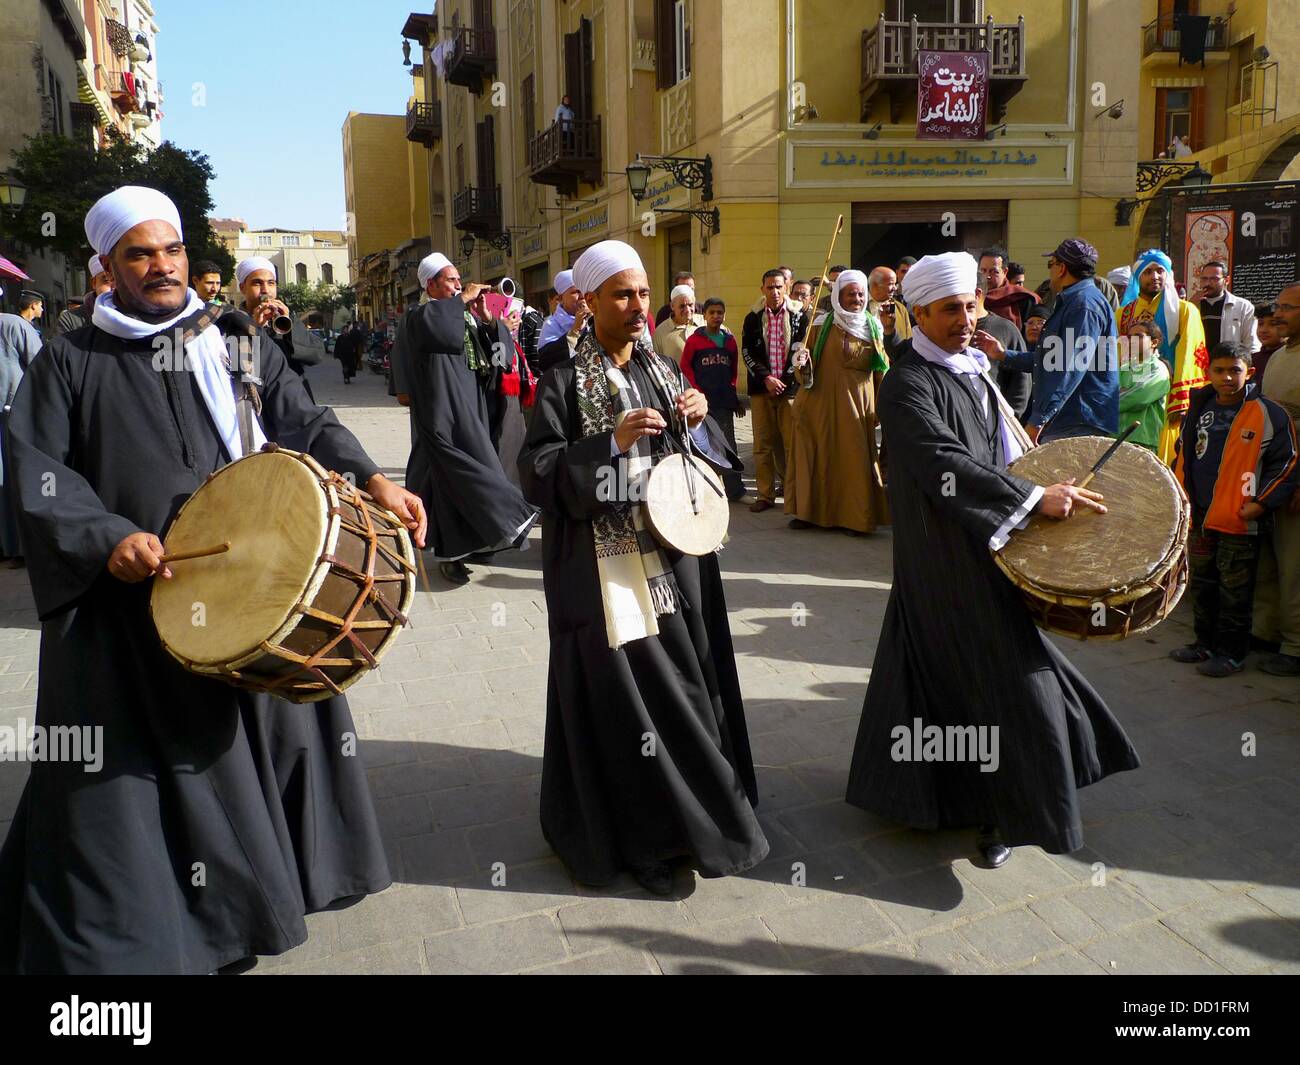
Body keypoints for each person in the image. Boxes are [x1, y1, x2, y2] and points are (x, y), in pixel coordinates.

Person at [0, 185, 427, 975]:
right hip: (137, 607)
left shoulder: (232, 337)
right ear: (106, 268)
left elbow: (304, 418)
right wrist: (106, 538)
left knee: (275, 731)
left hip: (253, 584)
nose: (161, 266)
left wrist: (373, 477)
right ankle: (189, 928)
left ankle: (277, 886)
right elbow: (37, 473)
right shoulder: (70, 360)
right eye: (140, 254)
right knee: (143, 783)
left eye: (172, 251)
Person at [845, 251, 1140, 866]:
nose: (964, 317)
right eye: (949, 308)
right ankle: (1002, 808)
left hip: (983, 543)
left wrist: (1036, 482)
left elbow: (1001, 448)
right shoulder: (908, 383)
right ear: (917, 312)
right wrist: (1032, 498)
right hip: (942, 553)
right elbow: (942, 462)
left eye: (970, 305)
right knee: (1000, 677)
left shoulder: (973, 368)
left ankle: (953, 798)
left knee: (964, 672)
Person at [518, 239, 765, 896]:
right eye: (622, 294)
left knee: (687, 683)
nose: (636, 306)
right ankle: (646, 838)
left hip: (675, 559)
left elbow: (703, 459)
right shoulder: (563, 380)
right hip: (605, 573)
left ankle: (705, 813)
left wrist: (703, 415)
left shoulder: (662, 367)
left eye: (643, 293)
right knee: (634, 703)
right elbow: (538, 475)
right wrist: (611, 443)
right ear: (589, 301)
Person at [398, 250, 539, 585]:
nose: (459, 286)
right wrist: (461, 302)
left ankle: (476, 542)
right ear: (431, 285)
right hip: (442, 409)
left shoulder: (462, 315)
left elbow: (500, 359)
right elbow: (436, 335)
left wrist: (491, 323)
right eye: (451, 280)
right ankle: (455, 549)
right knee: (452, 477)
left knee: (467, 471)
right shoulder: (421, 316)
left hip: (473, 406)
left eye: (459, 280)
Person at [1171, 345, 1297, 677]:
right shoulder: (1200, 407)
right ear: (1208, 372)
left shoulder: (1268, 413)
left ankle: (1232, 653)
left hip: (1239, 521)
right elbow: (1184, 452)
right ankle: (1204, 644)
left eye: (1234, 371)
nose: (1227, 378)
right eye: (1219, 370)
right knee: (1203, 583)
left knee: (1235, 591)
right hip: (1200, 515)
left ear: (1249, 373)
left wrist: (1261, 503)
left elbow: (1286, 463)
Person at [975, 238, 1118, 443]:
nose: (1049, 271)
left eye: (1051, 265)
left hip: (1077, 419)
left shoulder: (1083, 305)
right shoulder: (1075, 301)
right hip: (1067, 418)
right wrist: (1004, 355)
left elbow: (1069, 368)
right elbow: (1052, 359)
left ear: (1061, 269)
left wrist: (1038, 421)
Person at [785, 269, 889, 535]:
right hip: (818, 403)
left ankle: (855, 519)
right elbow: (803, 368)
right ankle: (809, 514)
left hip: (856, 405)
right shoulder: (820, 325)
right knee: (816, 457)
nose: (856, 298)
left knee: (853, 460)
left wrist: (881, 404)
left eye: (860, 294)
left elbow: (882, 369)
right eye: (850, 294)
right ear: (838, 297)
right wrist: (802, 362)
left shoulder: (873, 327)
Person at [1119, 249, 1209, 464]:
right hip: (1129, 394)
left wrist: (1181, 399)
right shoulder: (1123, 314)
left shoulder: (1185, 310)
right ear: (1137, 277)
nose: (1155, 276)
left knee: (1164, 459)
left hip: (1168, 397)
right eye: (1148, 272)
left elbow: (1191, 353)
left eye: (1160, 270)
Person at [1252, 283, 1300, 676]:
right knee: (1266, 557)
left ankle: (1295, 644)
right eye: (1278, 306)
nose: (1278, 314)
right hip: (1268, 474)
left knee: (1294, 561)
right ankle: (1264, 631)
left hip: (1294, 479)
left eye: (1287, 308)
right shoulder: (1280, 356)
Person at [741, 268, 807, 512]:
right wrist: (767, 378)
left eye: (779, 286)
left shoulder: (801, 317)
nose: (775, 291)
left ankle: (793, 497)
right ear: (762, 289)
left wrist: (785, 380)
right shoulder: (753, 317)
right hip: (761, 390)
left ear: (786, 288)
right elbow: (747, 352)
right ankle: (765, 495)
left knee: (791, 446)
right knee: (762, 445)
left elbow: (801, 352)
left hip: (790, 390)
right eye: (770, 287)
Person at [680, 297, 746, 501]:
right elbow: (685, 368)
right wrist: (696, 392)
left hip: (724, 402)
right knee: (703, 446)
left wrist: (733, 396)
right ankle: (706, 491)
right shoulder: (694, 341)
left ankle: (735, 490)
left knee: (729, 446)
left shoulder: (729, 341)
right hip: (702, 405)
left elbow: (733, 370)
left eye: (720, 313)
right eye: (712, 313)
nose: (716, 316)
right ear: (705, 316)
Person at [233, 256, 325, 401]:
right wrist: (255, 330)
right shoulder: (234, 321)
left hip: (294, 398)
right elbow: (241, 368)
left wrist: (289, 327)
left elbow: (316, 355)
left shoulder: (287, 318)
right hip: (258, 402)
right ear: (242, 288)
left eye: (271, 283)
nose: (265, 290)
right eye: (257, 283)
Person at [0, 294, 43, 566]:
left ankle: (15, 546)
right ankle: (15, 547)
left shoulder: (12, 325)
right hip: (11, 411)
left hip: (10, 413)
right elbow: (41, 366)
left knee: (10, 481)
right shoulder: (15, 324)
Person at [972, 285, 1032, 422]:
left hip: (994, 420)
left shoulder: (1005, 328)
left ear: (977, 293)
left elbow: (1021, 378)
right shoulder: (947, 329)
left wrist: (1011, 418)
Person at [1118, 319, 1170, 452]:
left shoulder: (1158, 369)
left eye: (1138, 337)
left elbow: (1138, 399)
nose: (1132, 341)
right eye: (1129, 337)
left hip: (1142, 440)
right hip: (1114, 438)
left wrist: (1114, 397)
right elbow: (1107, 393)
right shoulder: (1123, 368)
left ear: (1154, 342)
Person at [1195, 260, 1259, 356]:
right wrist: (1192, 305)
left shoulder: (1243, 306)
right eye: (1204, 279)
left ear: (1227, 280)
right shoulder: (1193, 305)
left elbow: (1251, 342)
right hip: (1198, 366)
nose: (1208, 283)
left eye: (1214, 279)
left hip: (1229, 365)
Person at [537, 269, 587, 373]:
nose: (582, 296)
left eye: (584, 290)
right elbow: (545, 362)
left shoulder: (594, 317)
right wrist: (575, 330)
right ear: (560, 298)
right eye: (576, 292)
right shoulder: (551, 325)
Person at [978, 247, 1039, 332]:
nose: (987, 276)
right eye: (983, 270)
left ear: (1005, 271)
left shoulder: (1022, 298)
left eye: (994, 271)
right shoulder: (974, 297)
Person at [651, 284, 703, 365]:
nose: (687, 310)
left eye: (690, 305)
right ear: (672, 306)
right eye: (682, 306)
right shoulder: (660, 332)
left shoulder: (706, 322)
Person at [868, 266, 912, 354]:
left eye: (895, 284)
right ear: (875, 285)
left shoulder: (900, 309)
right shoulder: (860, 308)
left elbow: (908, 340)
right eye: (890, 284)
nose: (895, 288)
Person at [1253, 302, 1286, 381]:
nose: (1264, 330)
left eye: (1272, 324)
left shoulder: (1291, 357)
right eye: (1260, 324)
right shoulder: (1253, 359)